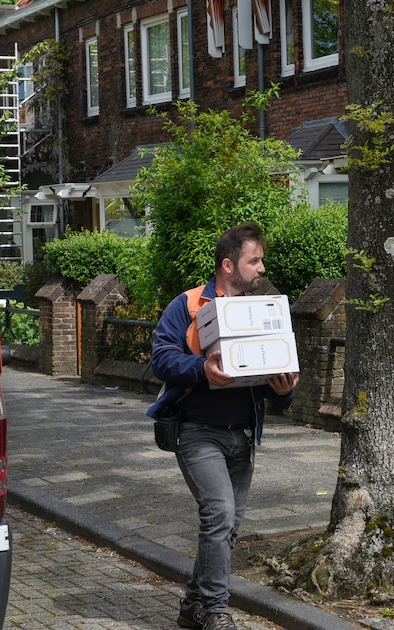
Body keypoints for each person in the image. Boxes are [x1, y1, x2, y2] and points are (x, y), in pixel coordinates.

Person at [147, 222, 299, 630]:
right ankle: (217, 612)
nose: (262, 268)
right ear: (229, 264)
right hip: (197, 432)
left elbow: (271, 375)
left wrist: (284, 391)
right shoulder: (189, 305)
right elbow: (160, 358)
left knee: (227, 527)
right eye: (255, 260)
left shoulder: (263, 307)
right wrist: (202, 369)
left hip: (243, 435)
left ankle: (193, 606)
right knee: (219, 515)